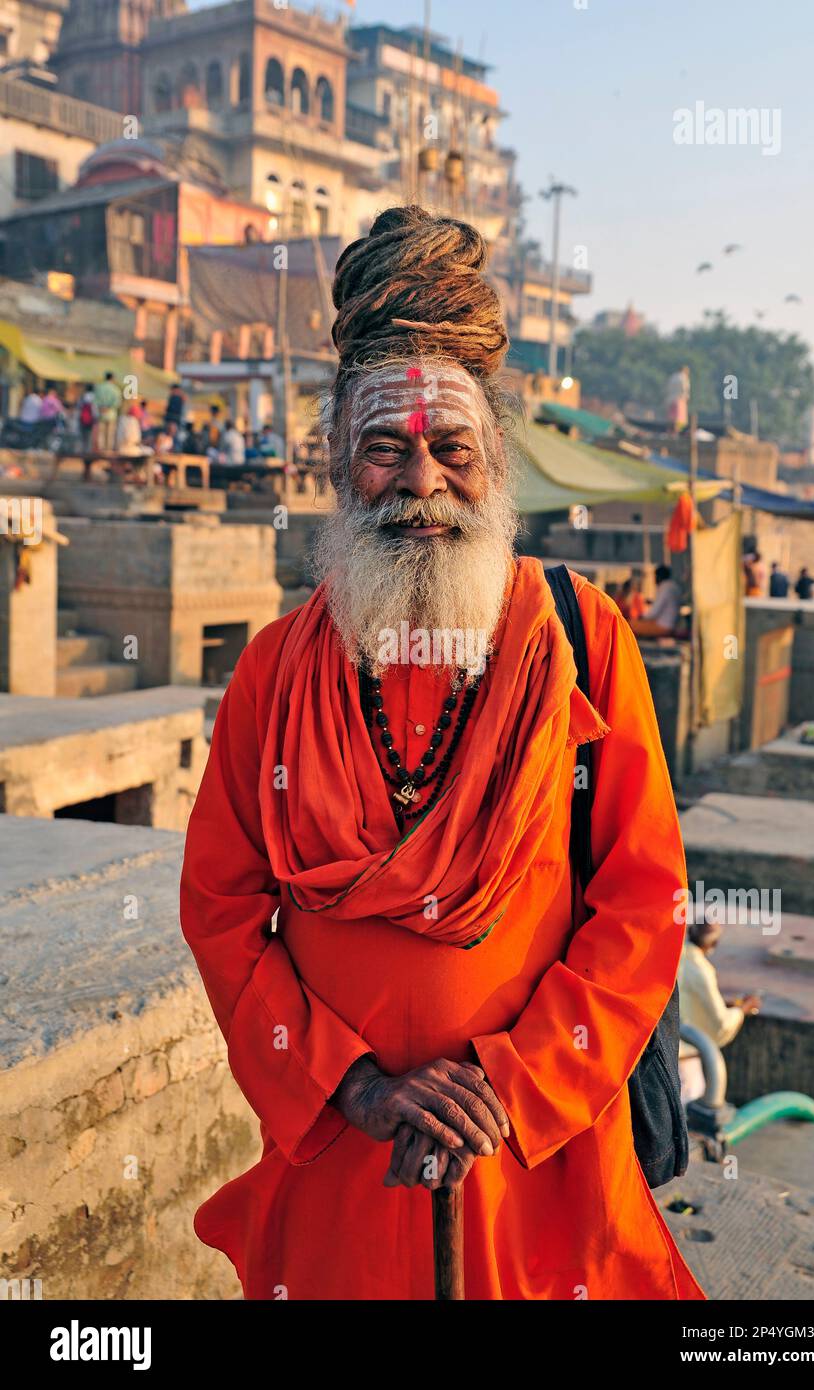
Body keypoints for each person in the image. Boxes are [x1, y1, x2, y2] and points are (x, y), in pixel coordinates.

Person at [180, 205, 704, 1303]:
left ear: (492, 458)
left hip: (538, 1165)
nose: (420, 481)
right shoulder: (275, 670)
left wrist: (512, 1084)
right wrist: (349, 1081)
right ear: (338, 459)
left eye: (449, 447)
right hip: (341, 1169)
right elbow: (222, 909)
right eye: (385, 447)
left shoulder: (584, 638)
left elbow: (643, 898)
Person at [678, 917, 760, 1104]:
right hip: (686, 1061)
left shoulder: (674, 956)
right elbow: (721, 1023)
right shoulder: (701, 969)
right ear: (714, 943)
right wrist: (743, 1009)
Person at [631, 563, 682, 638]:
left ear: (659, 576)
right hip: (670, 625)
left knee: (630, 624)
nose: (655, 579)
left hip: (664, 627)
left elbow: (654, 613)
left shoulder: (665, 587)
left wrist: (641, 617)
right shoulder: (673, 586)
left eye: (655, 576)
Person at [93, 371, 122, 452]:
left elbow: (95, 401)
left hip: (101, 414)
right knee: (109, 434)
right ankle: (108, 451)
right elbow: (117, 402)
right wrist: (108, 408)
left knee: (101, 434)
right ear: (112, 378)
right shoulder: (115, 389)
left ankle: (101, 450)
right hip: (111, 414)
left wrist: (102, 408)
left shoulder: (99, 387)